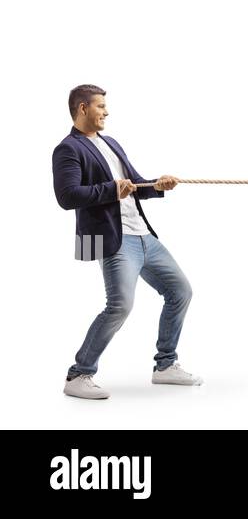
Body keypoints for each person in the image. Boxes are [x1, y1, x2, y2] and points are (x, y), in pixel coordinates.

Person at [53, 84, 202, 400]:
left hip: (144, 235)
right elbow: (66, 197)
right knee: (120, 306)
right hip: (113, 238)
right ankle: (79, 375)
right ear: (82, 108)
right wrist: (110, 190)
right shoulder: (68, 148)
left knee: (180, 291)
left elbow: (134, 185)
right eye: (100, 106)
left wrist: (159, 186)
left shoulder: (111, 143)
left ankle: (165, 366)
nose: (106, 112)